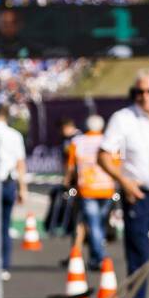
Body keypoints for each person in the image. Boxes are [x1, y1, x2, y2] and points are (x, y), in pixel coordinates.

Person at [98, 70, 149, 278]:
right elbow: (104, 155)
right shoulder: (123, 118)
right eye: (139, 92)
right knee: (139, 260)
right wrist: (124, 182)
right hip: (138, 195)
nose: (144, 97)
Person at [0, 104, 28, 280]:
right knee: (4, 225)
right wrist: (23, 188)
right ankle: (3, 266)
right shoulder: (14, 135)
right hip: (7, 182)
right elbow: (20, 163)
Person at [65, 114, 115, 269]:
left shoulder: (77, 142)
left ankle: (99, 256)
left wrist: (67, 182)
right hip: (107, 187)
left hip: (87, 188)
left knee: (94, 224)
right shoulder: (110, 141)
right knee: (98, 223)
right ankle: (96, 256)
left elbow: (71, 167)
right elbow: (118, 163)